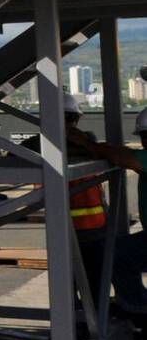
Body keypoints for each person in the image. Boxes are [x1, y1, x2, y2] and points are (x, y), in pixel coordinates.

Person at [59, 95, 147, 319]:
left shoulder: (85, 141)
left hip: (74, 227)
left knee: (116, 255)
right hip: (85, 226)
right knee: (114, 256)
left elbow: (126, 158)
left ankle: (138, 309)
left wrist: (89, 145)